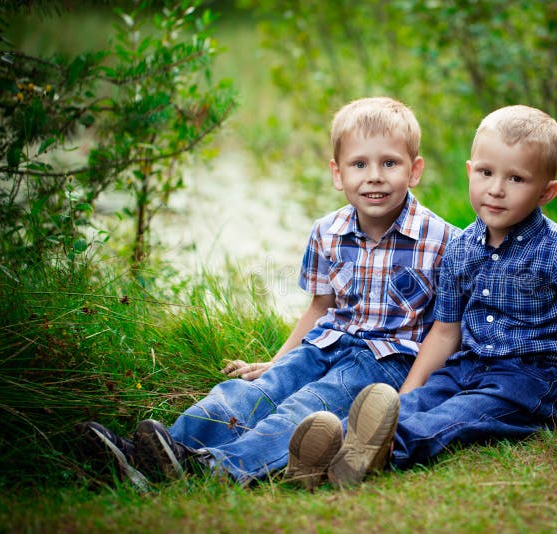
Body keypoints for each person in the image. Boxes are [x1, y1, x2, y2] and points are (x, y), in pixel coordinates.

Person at [75, 96, 457, 488]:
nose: (374, 176)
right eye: (359, 164)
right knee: (251, 393)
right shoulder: (328, 230)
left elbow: (447, 329)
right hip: (325, 345)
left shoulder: (444, 240)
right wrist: (277, 362)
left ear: (414, 170)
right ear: (337, 173)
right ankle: (154, 449)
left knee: (304, 408)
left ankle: (212, 468)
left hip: (384, 363)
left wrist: (408, 397)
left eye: (389, 163)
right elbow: (320, 308)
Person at [289, 104, 557, 487]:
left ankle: (381, 451)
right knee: (424, 399)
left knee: (462, 413)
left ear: (546, 192)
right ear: (471, 173)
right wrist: (405, 394)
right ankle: (332, 444)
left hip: (537, 377)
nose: (497, 189)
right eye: (486, 173)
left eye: (516, 179)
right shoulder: (461, 247)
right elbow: (444, 333)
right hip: (469, 364)